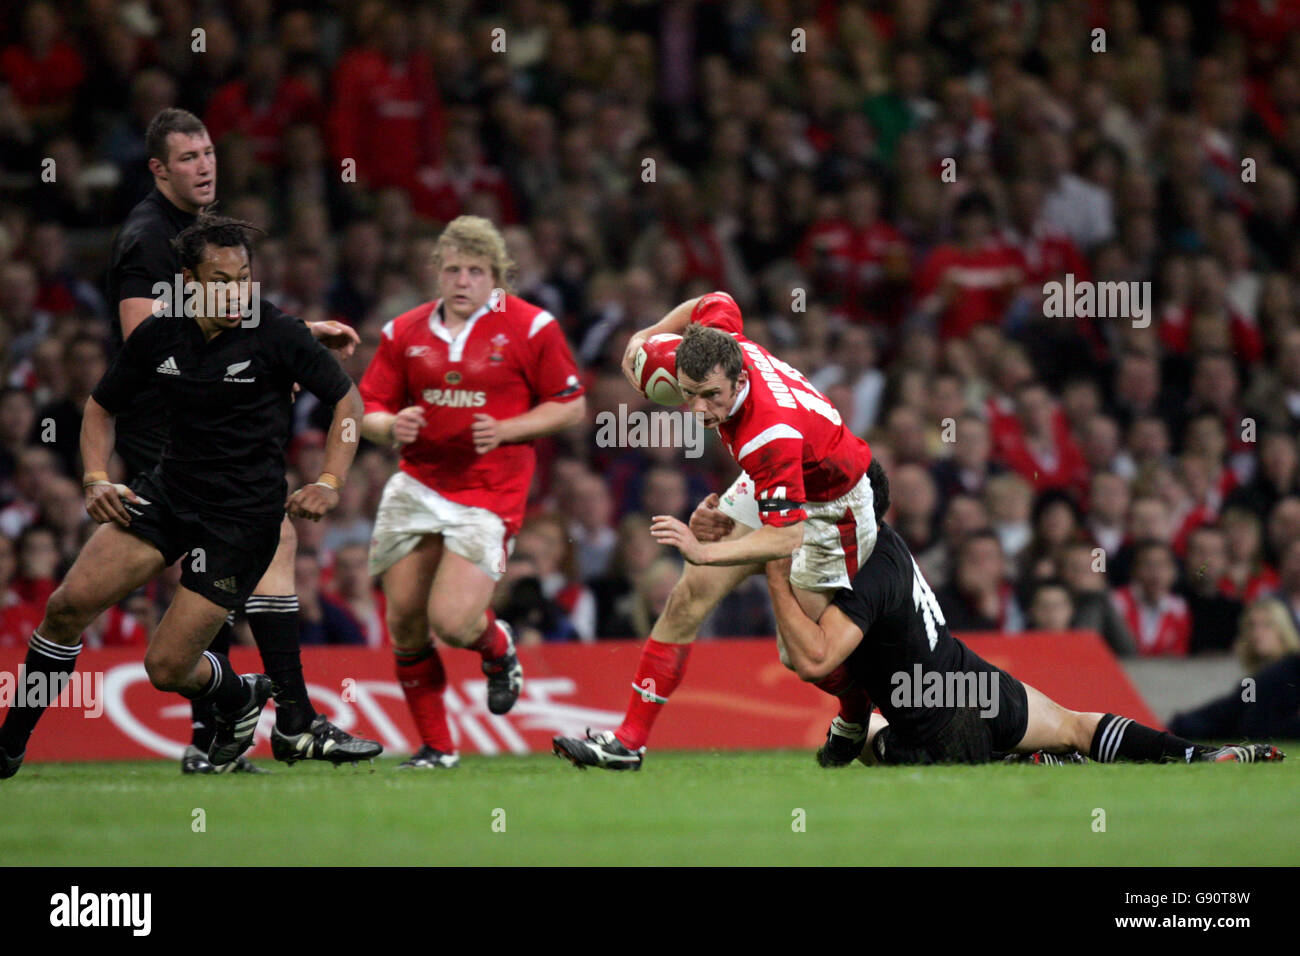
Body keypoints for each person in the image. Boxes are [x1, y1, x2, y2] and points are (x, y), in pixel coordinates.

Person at [1, 216, 367, 779]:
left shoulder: (277, 333)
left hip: (240, 521)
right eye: (220, 279)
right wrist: (96, 477)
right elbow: (101, 407)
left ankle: (245, 698)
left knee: (167, 667)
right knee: (66, 607)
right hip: (167, 495)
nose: (235, 291)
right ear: (188, 281)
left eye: (244, 277)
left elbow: (348, 403)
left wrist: (328, 482)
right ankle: (10, 744)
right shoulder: (160, 335)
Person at [106, 107, 377, 773]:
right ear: (158, 168)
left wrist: (290, 341)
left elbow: (225, 322)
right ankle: (276, 719)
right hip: (176, 437)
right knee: (252, 546)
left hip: (204, 432)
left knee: (263, 546)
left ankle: (260, 725)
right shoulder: (149, 236)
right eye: (189, 157)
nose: (205, 166)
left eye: (209, 153)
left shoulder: (199, 235)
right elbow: (147, 343)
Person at [763, 464, 1283, 767]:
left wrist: (771, 568)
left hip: (934, 722)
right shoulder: (889, 544)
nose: (811, 511)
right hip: (972, 681)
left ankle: (1006, 756)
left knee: (874, 740)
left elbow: (814, 658)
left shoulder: (864, 570)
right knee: (1076, 726)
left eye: (821, 502)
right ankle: (1199, 755)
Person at [554, 290, 876, 770]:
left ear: (739, 379)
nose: (699, 410)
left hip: (832, 505)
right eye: (689, 394)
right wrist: (647, 336)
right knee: (688, 596)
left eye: (711, 397)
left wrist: (705, 552)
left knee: (806, 656)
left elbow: (785, 536)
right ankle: (628, 743)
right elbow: (715, 298)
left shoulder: (770, 433)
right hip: (783, 477)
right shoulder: (721, 343)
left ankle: (855, 711)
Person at [359, 215, 586, 769]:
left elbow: (573, 406)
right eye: (453, 269)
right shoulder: (402, 332)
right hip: (418, 484)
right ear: (436, 273)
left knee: (454, 622)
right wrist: (391, 427)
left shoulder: (532, 328)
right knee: (405, 621)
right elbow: (366, 410)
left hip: (490, 489)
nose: (463, 281)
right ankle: (437, 747)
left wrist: (508, 429)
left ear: (496, 278)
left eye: (476, 271)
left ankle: (497, 645)